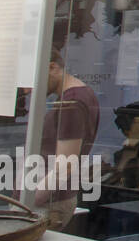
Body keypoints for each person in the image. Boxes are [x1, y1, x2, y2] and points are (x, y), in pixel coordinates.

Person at [35, 53, 101, 230]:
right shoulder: (75, 96)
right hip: (51, 197)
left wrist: (30, 199)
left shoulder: (72, 101)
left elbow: (65, 165)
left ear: (52, 67)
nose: (30, 88)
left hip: (48, 201)